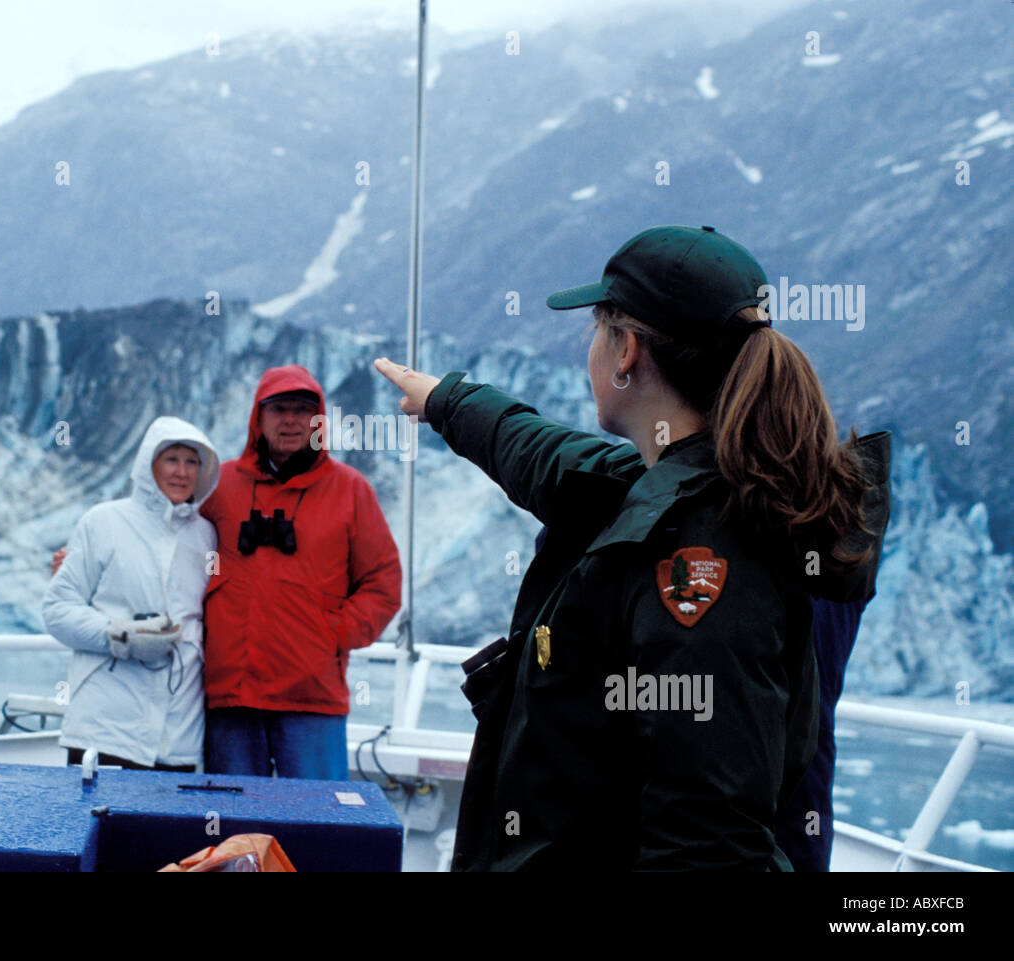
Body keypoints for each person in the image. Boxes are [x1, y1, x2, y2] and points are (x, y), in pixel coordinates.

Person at [374, 224, 888, 871]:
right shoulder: (663, 488)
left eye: (596, 327)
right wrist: (447, 400)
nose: (589, 346)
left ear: (628, 352)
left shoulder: (701, 561)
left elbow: (707, 845)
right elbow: (542, 455)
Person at [197, 364, 402, 779]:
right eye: (279, 409)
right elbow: (166, 541)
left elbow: (383, 581)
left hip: (313, 697)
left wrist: (331, 636)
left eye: (302, 410)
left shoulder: (350, 489)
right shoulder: (218, 485)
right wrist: (86, 555)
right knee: (234, 830)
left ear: (318, 421)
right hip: (230, 696)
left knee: (318, 825)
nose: (290, 420)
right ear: (259, 417)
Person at [42, 416, 220, 772]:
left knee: (164, 830)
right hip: (105, 730)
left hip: (178, 736)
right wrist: (121, 635)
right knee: (99, 828)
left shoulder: (207, 538)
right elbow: (58, 610)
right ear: (147, 464)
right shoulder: (104, 522)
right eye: (171, 459)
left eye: (192, 462)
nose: (182, 472)